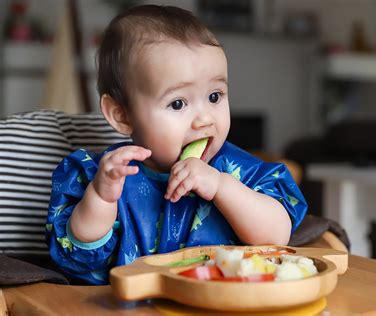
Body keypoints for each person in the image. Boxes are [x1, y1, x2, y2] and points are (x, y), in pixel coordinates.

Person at [46, 5, 307, 285]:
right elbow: (81, 256)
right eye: (178, 103)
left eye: (215, 96)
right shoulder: (110, 176)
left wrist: (221, 186)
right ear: (122, 114)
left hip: (223, 302)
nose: (204, 119)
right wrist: (101, 198)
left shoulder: (239, 171)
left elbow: (277, 237)